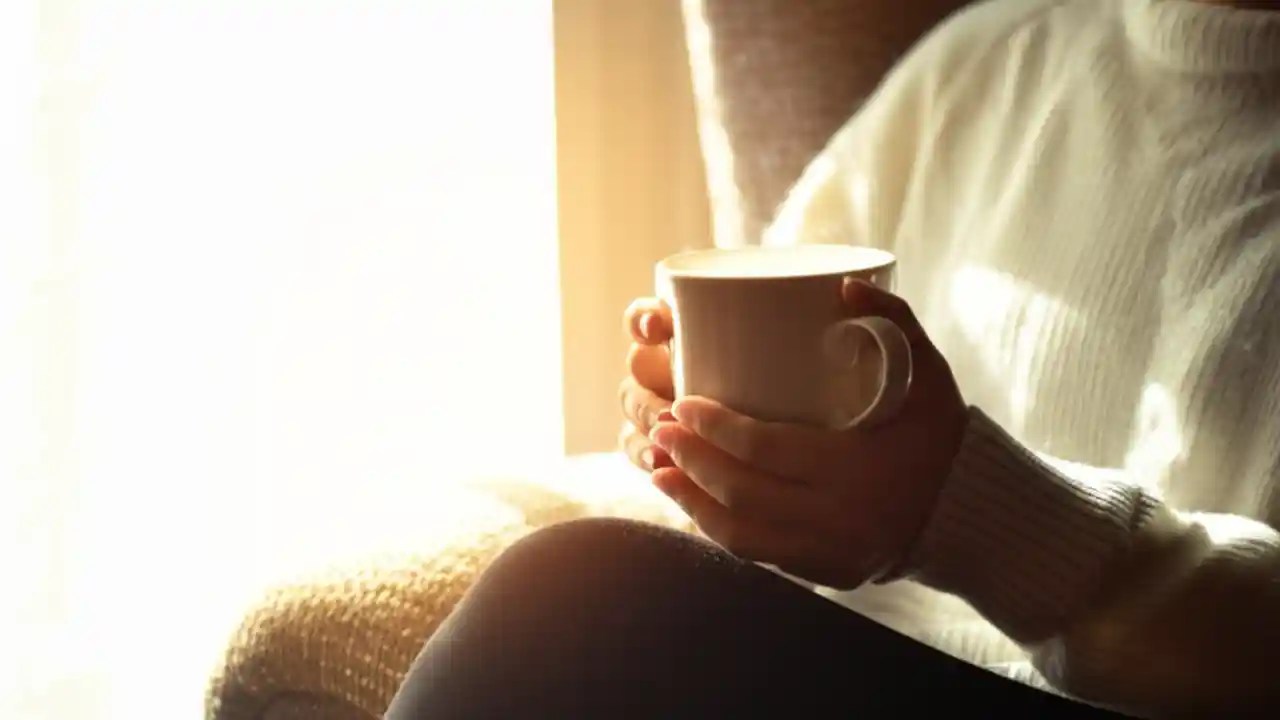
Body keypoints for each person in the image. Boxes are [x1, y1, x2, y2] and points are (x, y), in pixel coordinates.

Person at [386, 0, 1280, 717]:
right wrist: (703, 445)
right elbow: (779, 339)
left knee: (574, 600)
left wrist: (957, 515)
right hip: (839, 663)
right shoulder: (974, 71)